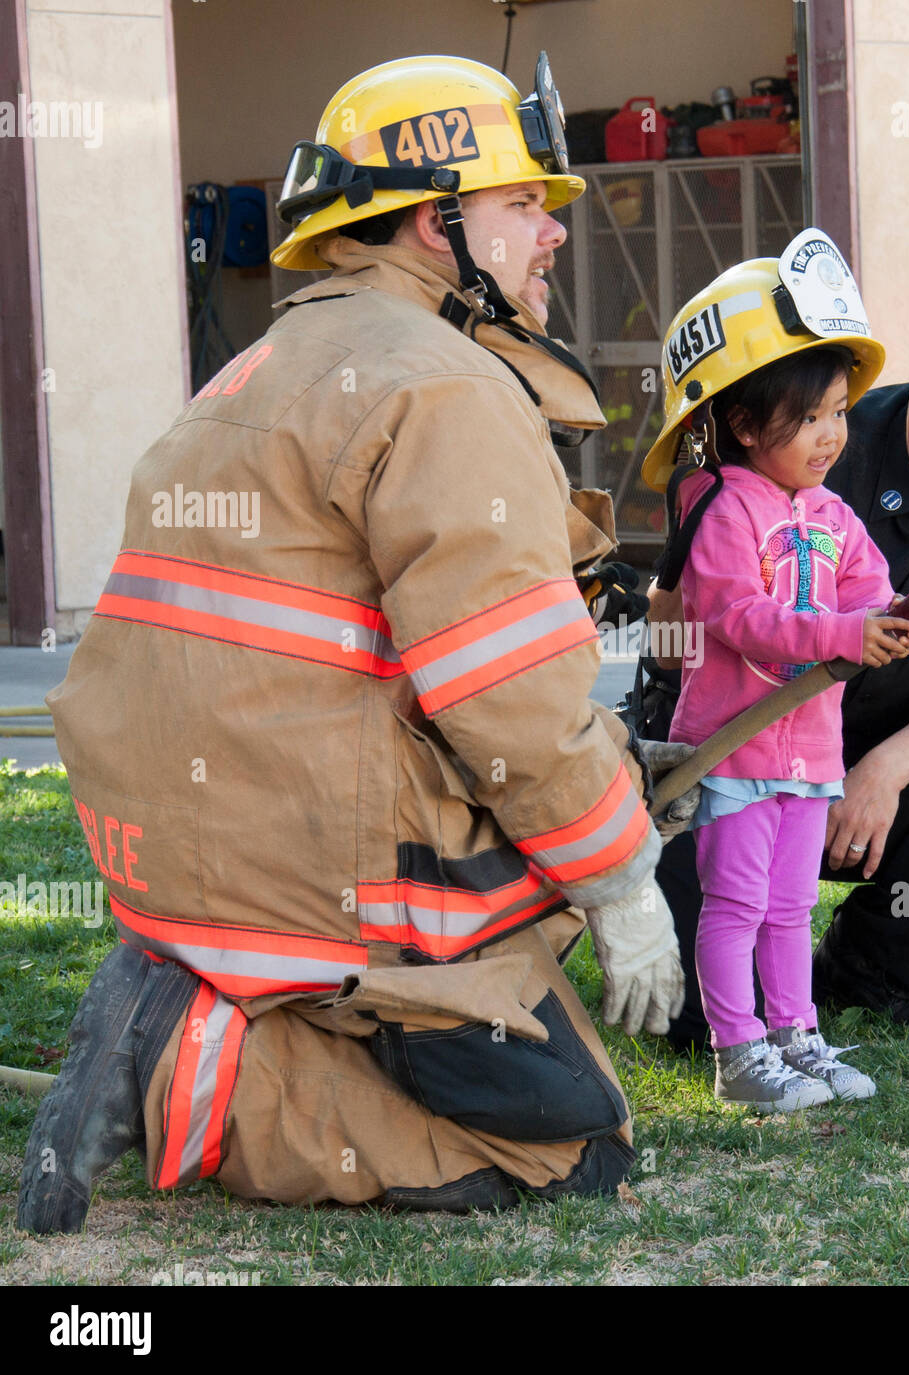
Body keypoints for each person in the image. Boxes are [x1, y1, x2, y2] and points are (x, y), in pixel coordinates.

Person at [18, 52, 689, 1235]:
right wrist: (623, 877)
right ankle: (200, 1065)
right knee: (572, 1148)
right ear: (438, 223)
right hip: (317, 874)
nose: (553, 235)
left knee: (532, 1052)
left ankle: (198, 999)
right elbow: (509, 698)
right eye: (522, 204)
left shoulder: (254, 369)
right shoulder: (446, 385)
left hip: (191, 860)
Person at [639, 286, 909, 1044]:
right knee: (697, 1022)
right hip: (728, 749)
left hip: (860, 758)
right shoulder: (824, 433)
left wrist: (883, 772)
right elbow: (680, 614)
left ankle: (876, 967)